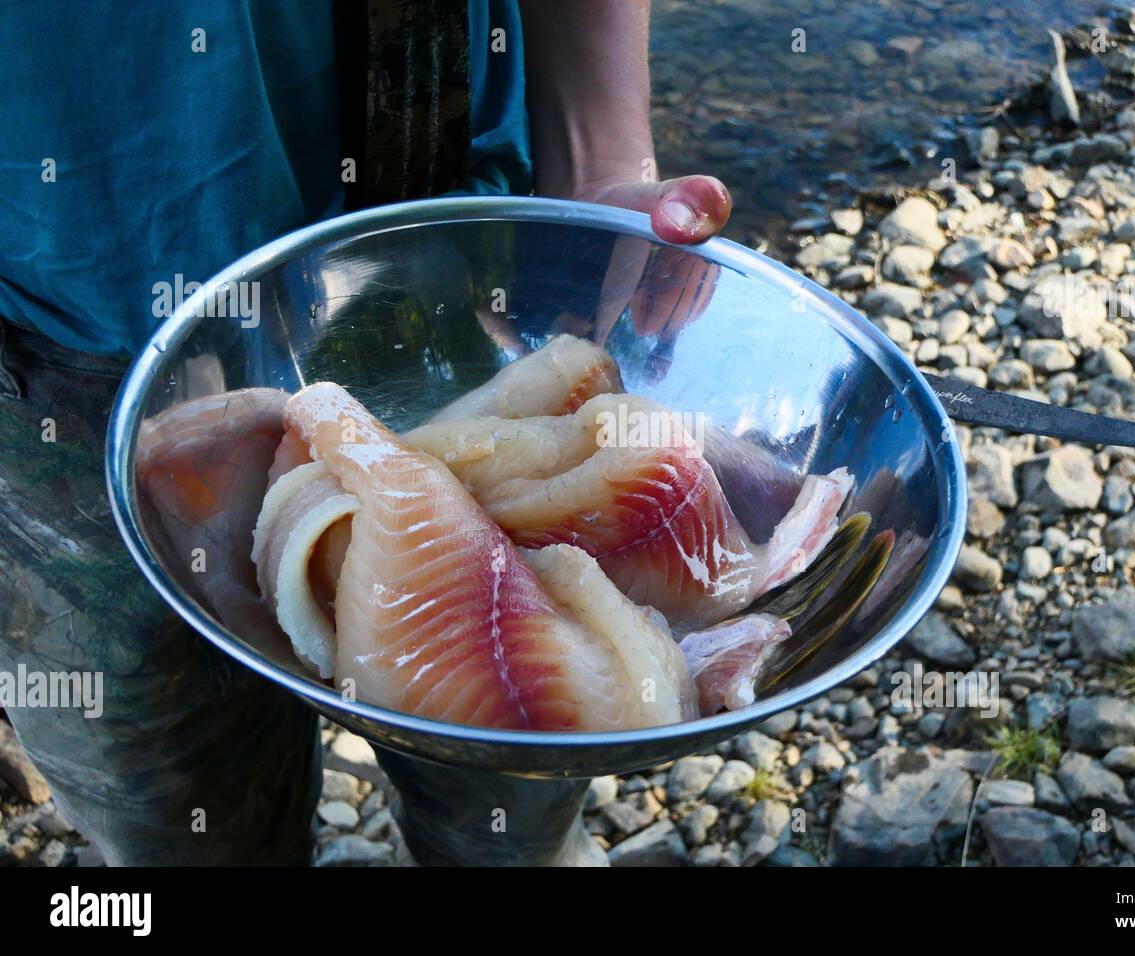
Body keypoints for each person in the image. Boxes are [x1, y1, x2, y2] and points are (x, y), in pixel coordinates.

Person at [0, 0, 731, 865]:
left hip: (455, 251)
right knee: (176, 816)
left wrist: (599, 155)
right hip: (62, 337)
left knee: (515, 793)